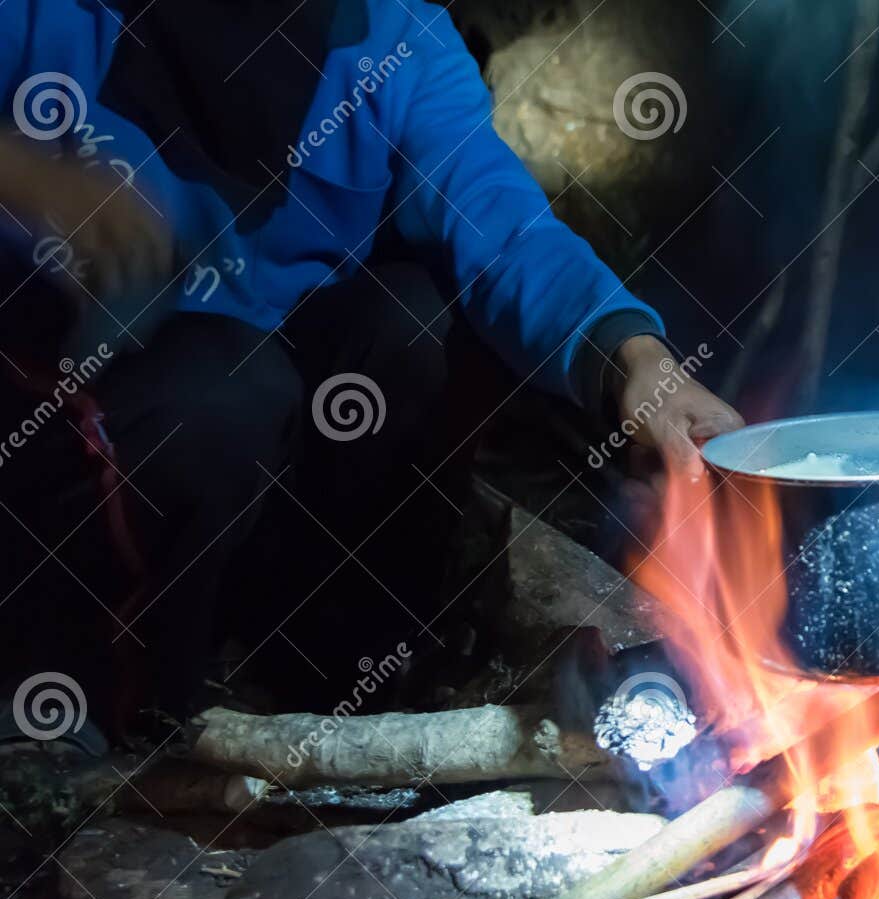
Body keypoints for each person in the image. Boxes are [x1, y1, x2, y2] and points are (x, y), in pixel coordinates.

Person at [0, 0, 744, 740]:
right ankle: (122, 715)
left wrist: (634, 361)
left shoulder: (390, 36)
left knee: (408, 324)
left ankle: (338, 701)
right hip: (76, 401)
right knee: (224, 394)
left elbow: (502, 225)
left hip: (269, 418)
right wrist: (24, 172)